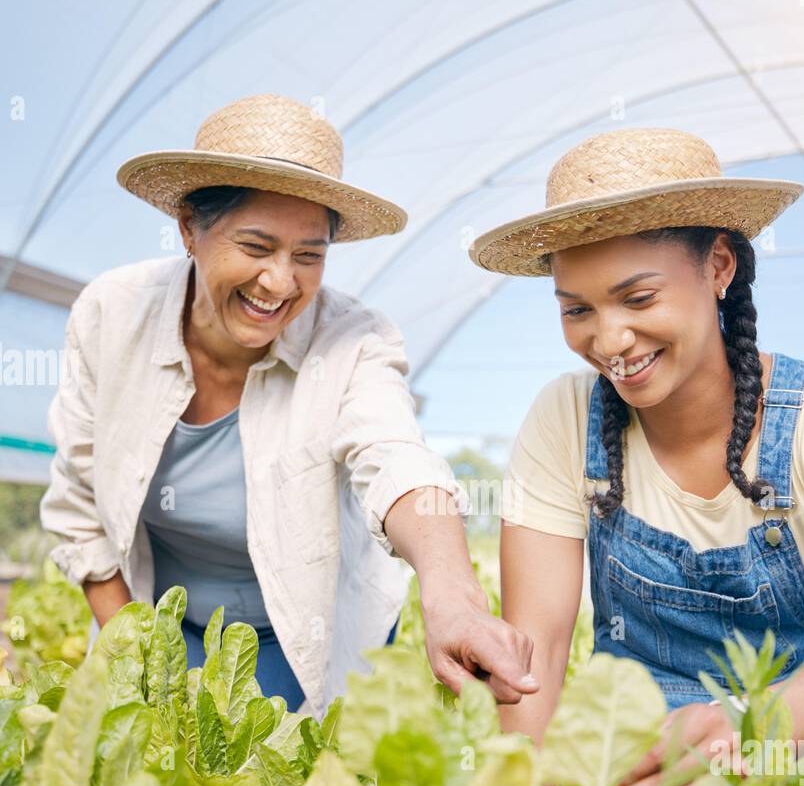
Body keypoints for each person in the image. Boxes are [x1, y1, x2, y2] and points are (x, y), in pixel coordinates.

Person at [470, 127, 804, 786]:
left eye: (638, 299)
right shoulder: (562, 421)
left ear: (719, 267)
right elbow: (539, 652)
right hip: (634, 773)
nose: (610, 340)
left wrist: (740, 730)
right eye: (577, 310)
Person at [40, 93, 537, 718]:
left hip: (304, 632)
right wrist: (135, 656)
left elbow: (398, 461)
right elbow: (80, 499)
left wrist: (454, 596)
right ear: (190, 228)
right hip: (158, 626)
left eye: (309, 256)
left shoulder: (354, 339)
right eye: (255, 246)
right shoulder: (114, 314)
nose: (280, 282)